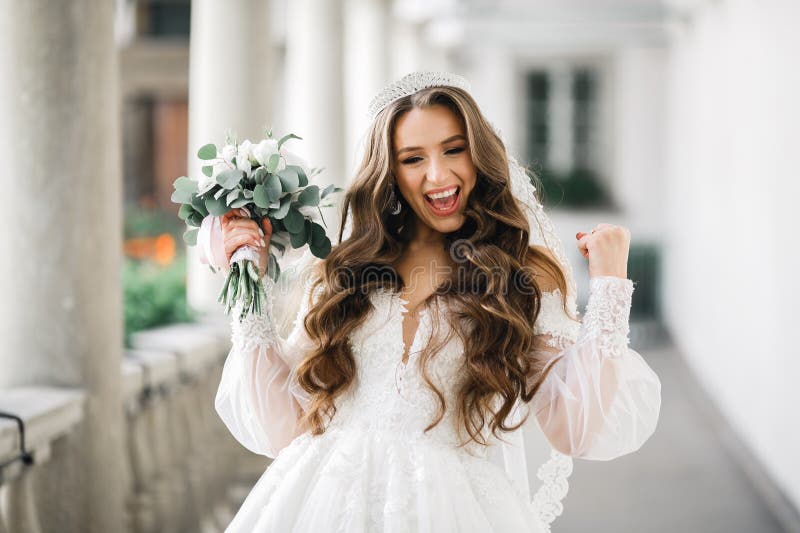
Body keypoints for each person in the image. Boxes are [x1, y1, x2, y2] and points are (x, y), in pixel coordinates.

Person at [199, 71, 662, 532]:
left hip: (453, 509)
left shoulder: (522, 274)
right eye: (413, 158)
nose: (438, 175)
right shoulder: (341, 271)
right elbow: (284, 427)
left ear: (479, 155)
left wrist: (611, 288)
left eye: (454, 149)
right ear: (390, 171)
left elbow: (573, 429)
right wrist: (249, 286)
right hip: (321, 502)